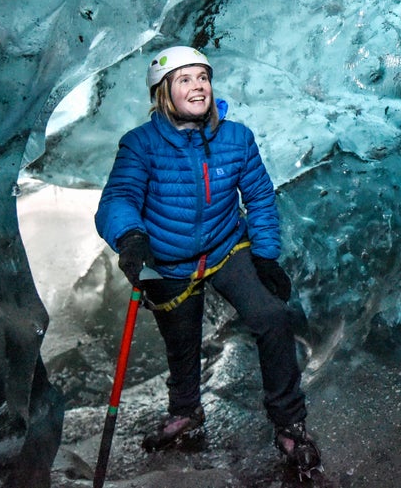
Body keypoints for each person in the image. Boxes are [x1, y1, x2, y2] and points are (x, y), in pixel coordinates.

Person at [94, 45, 321, 472]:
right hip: (168, 259)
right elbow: (119, 198)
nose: (198, 86)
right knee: (181, 343)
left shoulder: (236, 138)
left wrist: (267, 257)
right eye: (185, 79)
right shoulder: (140, 145)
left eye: (203, 77)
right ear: (163, 92)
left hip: (224, 247)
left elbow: (259, 198)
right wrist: (130, 237)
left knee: (272, 316)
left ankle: (290, 424)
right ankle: (185, 412)